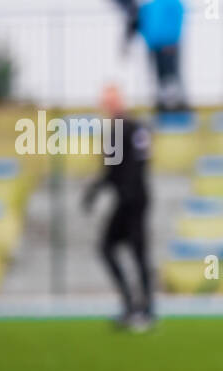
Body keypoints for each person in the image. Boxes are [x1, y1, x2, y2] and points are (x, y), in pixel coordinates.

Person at [84, 85, 157, 332]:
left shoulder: (129, 127)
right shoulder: (122, 128)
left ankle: (144, 309)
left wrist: (105, 190)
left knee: (136, 251)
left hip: (133, 200)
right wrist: (95, 190)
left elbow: (137, 165)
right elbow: (112, 170)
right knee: (111, 248)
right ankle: (134, 305)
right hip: (128, 199)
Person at [138, 0, 186, 112]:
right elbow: (144, 21)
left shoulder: (173, 2)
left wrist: (172, 39)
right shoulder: (151, 4)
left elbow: (176, 20)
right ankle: (163, 106)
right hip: (154, 45)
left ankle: (174, 106)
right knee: (159, 77)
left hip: (168, 45)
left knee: (170, 77)